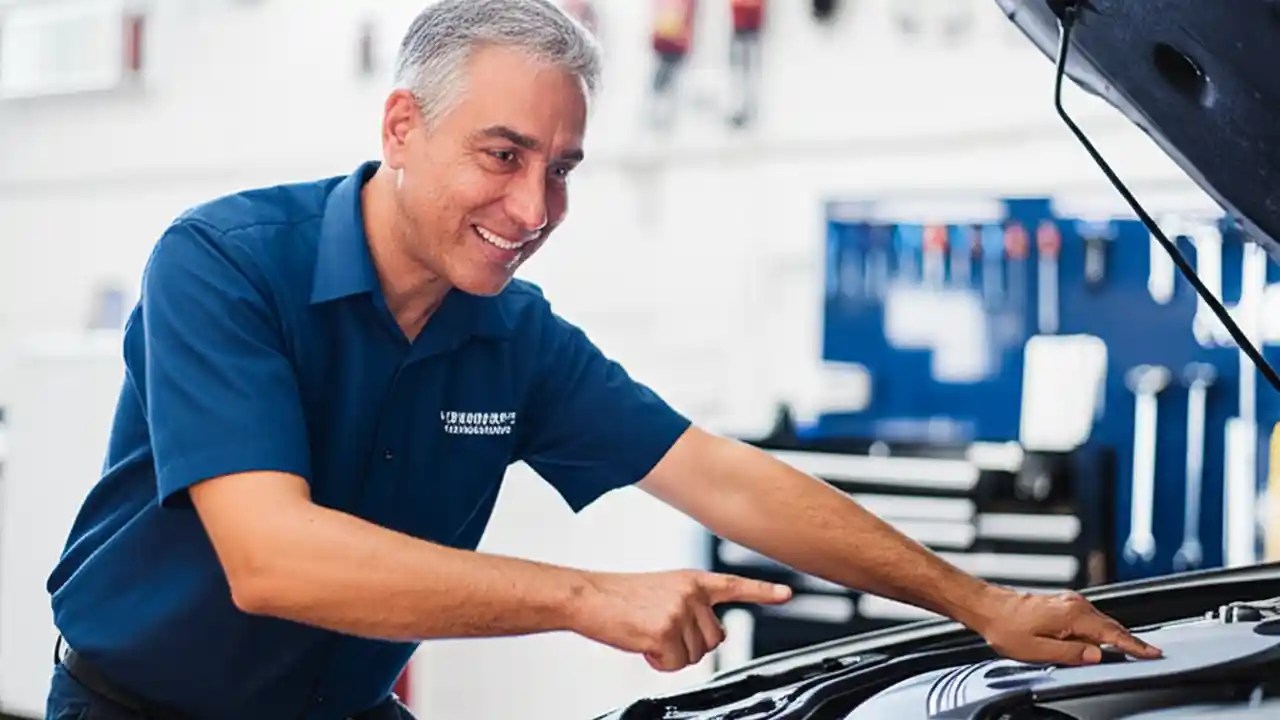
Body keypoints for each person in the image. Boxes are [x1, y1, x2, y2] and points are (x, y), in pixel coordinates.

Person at [43, 1, 1162, 718]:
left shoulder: (510, 334)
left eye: (563, 167)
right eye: (502, 154)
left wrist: (973, 601)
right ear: (399, 127)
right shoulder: (222, 266)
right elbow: (275, 562)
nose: (534, 207)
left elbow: (717, 473)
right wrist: (587, 599)